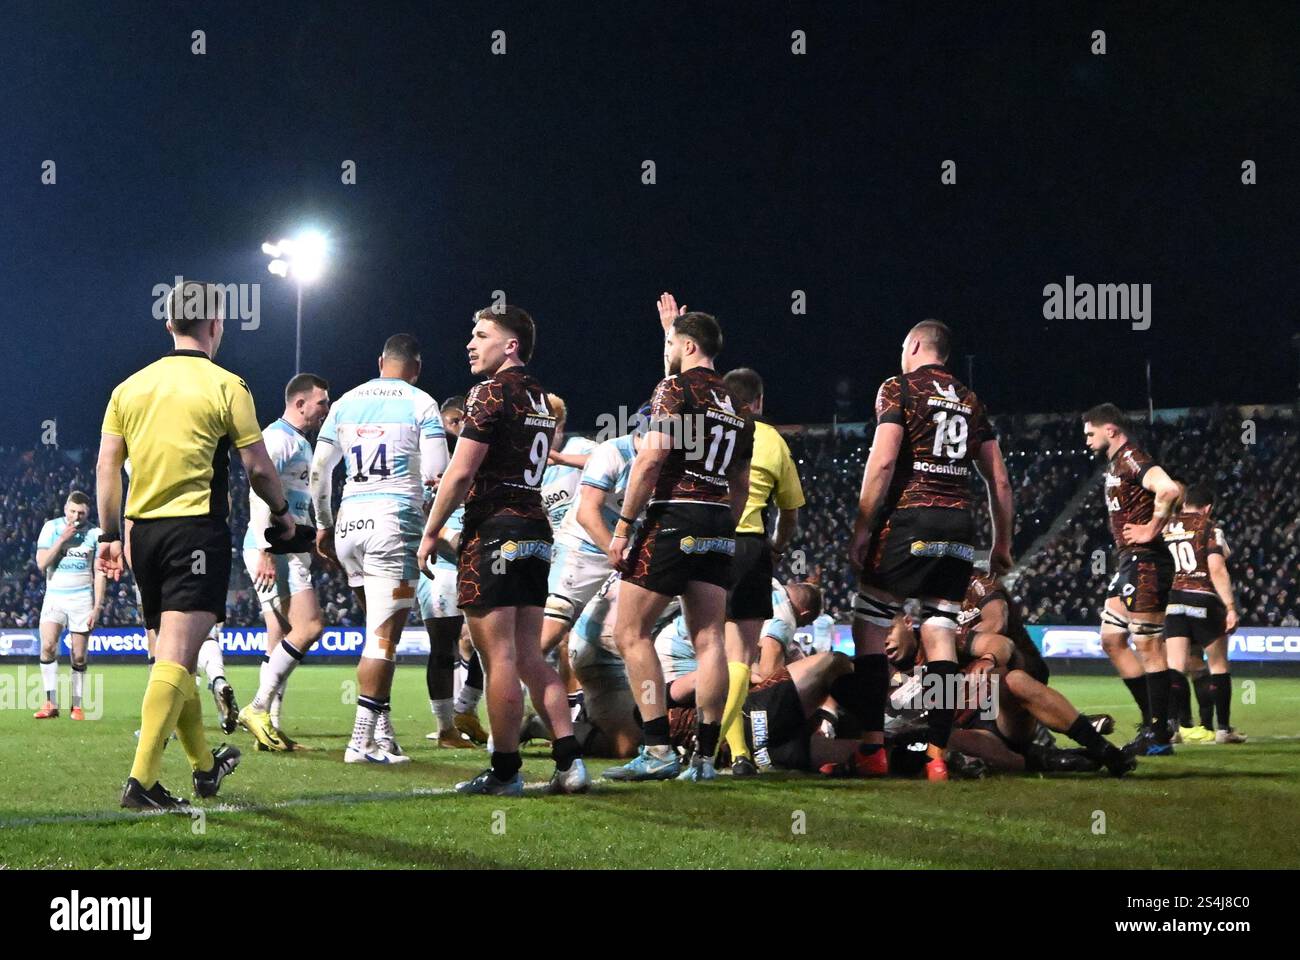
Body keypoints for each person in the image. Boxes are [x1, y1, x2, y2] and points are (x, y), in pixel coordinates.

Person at [98, 279, 293, 810]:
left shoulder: (128, 388)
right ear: (216, 324)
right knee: (178, 663)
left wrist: (110, 535)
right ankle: (140, 784)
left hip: (142, 535)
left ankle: (206, 768)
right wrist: (284, 514)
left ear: (168, 325)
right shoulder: (229, 384)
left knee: (172, 654)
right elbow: (257, 467)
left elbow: (107, 467)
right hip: (195, 535)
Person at [417, 305, 587, 795]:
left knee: (501, 660)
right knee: (533, 657)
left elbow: (463, 471)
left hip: (494, 530)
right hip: (535, 531)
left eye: (482, 335)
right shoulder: (538, 396)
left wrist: (431, 531)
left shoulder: (489, 392)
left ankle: (507, 771)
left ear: (510, 345)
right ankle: (570, 764)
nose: (471, 343)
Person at [846, 320, 1014, 781]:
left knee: (870, 628)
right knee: (940, 632)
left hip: (908, 520)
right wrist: (1002, 541)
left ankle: (872, 750)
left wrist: (862, 527)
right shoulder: (971, 400)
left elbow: (882, 460)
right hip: (958, 528)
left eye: (904, 346)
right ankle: (936, 755)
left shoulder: (898, 388)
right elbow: (997, 478)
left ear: (916, 345)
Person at [603, 294, 754, 783]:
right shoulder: (737, 404)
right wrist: (721, 525)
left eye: (672, 342)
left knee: (629, 633)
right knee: (710, 640)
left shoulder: (675, 390)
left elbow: (650, 460)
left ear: (686, 345)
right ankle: (705, 759)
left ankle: (657, 749)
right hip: (717, 522)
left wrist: (623, 527)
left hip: (673, 517)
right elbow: (741, 485)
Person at [308, 334, 448, 764]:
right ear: (416, 367)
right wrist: (434, 526)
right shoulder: (422, 403)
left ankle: (384, 738)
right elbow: (438, 473)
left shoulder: (345, 402)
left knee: (375, 635)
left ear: (380, 361)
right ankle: (360, 741)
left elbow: (318, 472)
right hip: (395, 522)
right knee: (385, 638)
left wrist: (324, 525)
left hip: (350, 522)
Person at [1082, 403, 1184, 756]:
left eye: (1090, 433)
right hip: (1128, 562)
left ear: (1110, 429)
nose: (1086, 440)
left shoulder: (1132, 458)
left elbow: (1169, 489)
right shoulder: (1115, 464)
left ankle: (1159, 734)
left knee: (1148, 645)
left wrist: (1151, 528)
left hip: (1147, 561)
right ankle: (1153, 720)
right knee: (1111, 639)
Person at [718, 366, 805, 775]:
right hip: (751, 545)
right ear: (759, 402)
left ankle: (735, 753)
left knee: (711, 650)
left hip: (707, 541)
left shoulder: (712, 428)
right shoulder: (771, 440)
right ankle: (712, 746)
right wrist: (777, 546)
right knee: (740, 655)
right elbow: (790, 510)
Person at [236, 373, 331, 750]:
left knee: (278, 636)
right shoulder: (277, 437)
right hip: (275, 547)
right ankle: (257, 709)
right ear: (300, 402)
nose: (326, 408)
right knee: (309, 627)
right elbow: (259, 490)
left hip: (287, 547)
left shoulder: (299, 443)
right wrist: (264, 550)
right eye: (322, 401)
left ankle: (269, 729)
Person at [1161, 482, 1246, 744]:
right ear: (1208, 508)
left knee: (1174, 665)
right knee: (1218, 664)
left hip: (1172, 601)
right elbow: (1218, 568)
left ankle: (1172, 728)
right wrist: (1230, 607)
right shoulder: (1210, 527)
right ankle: (1223, 729)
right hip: (1203, 600)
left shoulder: (1164, 527)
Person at [418, 395, 479, 748]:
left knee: (492, 644)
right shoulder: (430, 459)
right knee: (443, 646)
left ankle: (466, 710)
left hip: (476, 553)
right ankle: (445, 729)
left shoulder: (481, 454)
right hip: (443, 558)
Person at [34, 491, 106, 720]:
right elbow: (42, 564)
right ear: (66, 509)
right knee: (47, 646)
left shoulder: (95, 533)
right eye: (73, 511)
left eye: (81, 512)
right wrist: (62, 539)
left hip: (82, 599)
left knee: (79, 656)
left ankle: (76, 706)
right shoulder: (51, 528)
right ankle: (50, 703)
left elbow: (99, 571)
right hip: (55, 596)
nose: (76, 516)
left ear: (88, 513)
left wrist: (97, 607)